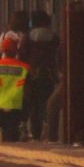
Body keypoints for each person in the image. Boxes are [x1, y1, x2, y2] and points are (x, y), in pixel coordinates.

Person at [0, 36, 30, 142]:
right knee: (12, 140)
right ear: (16, 51)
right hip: (14, 108)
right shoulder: (23, 67)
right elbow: (26, 91)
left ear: (3, 50)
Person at [22, 10, 61, 141]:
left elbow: (22, 56)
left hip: (32, 75)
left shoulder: (28, 37)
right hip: (48, 74)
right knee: (47, 102)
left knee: (33, 105)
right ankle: (48, 129)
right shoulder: (54, 37)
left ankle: (36, 133)